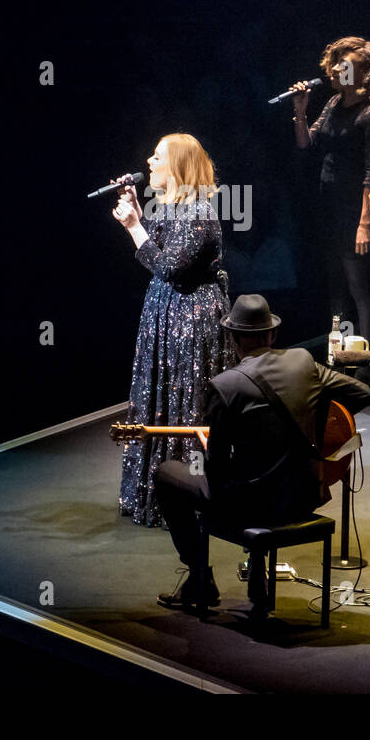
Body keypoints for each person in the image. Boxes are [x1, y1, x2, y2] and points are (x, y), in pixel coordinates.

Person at [153, 294, 370, 615]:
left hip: (250, 507)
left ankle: (200, 576)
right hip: (303, 496)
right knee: (254, 478)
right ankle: (256, 576)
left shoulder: (224, 385)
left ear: (233, 338)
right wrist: (318, 420)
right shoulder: (303, 362)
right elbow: (362, 393)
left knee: (166, 474)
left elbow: (215, 467)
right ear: (272, 334)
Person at [112, 133, 233, 527]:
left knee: (185, 399)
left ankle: (188, 499)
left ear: (179, 167)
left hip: (191, 321)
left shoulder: (199, 211)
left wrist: (133, 228)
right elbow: (163, 251)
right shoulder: (173, 209)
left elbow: (169, 267)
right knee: (163, 394)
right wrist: (137, 214)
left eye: (158, 157)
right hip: (169, 317)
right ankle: (158, 492)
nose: (149, 161)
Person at [288, 38, 370, 374]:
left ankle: (366, 368)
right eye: (334, 64)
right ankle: (341, 360)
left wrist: (364, 224)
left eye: (343, 65)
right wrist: (300, 111)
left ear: (362, 71)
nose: (334, 71)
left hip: (354, 211)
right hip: (329, 209)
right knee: (336, 288)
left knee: (359, 289)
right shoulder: (333, 102)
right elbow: (307, 142)